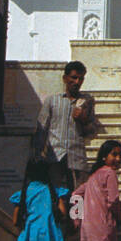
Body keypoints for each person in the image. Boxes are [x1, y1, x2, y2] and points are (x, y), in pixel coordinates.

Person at [33, 60, 99, 192]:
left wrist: (83, 119)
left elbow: (92, 131)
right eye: (74, 77)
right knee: (55, 197)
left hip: (77, 158)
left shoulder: (87, 101)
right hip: (55, 157)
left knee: (77, 199)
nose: (77, 82)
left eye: (81, 79)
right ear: (65, 78)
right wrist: (38, 155)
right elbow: (41, 129)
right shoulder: (52, 100)